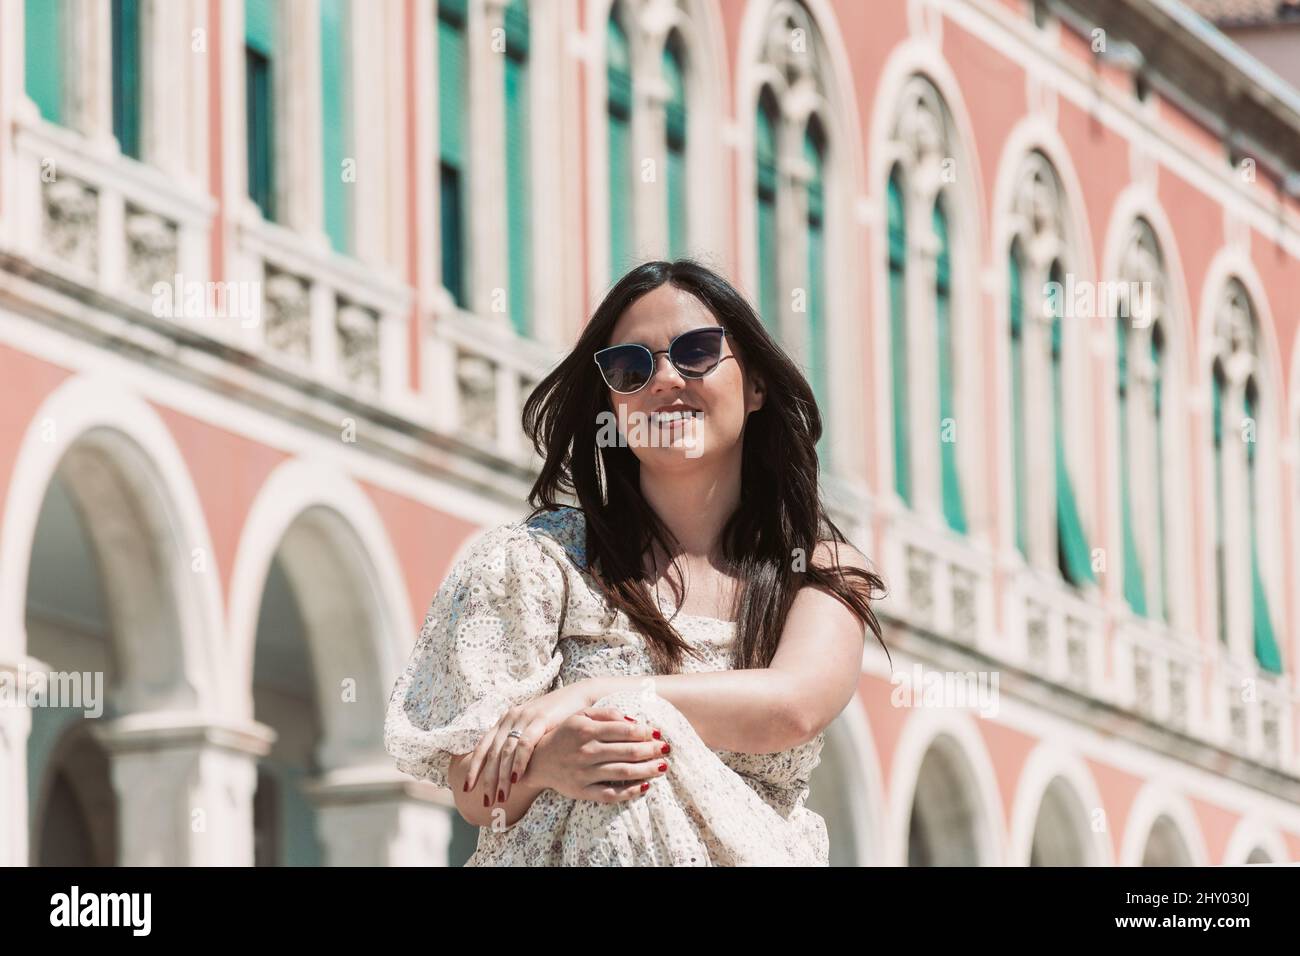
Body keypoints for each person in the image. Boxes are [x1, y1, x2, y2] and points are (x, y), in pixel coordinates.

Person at [384, 258, 889, 865]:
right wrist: (550, 762)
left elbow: (791, 707)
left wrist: (596, 694)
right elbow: (476, 794)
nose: (666, 380)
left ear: (755, 383)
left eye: (697, 351)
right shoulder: (534, 562)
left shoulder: (822, 574)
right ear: (612, 406)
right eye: (631, 367)